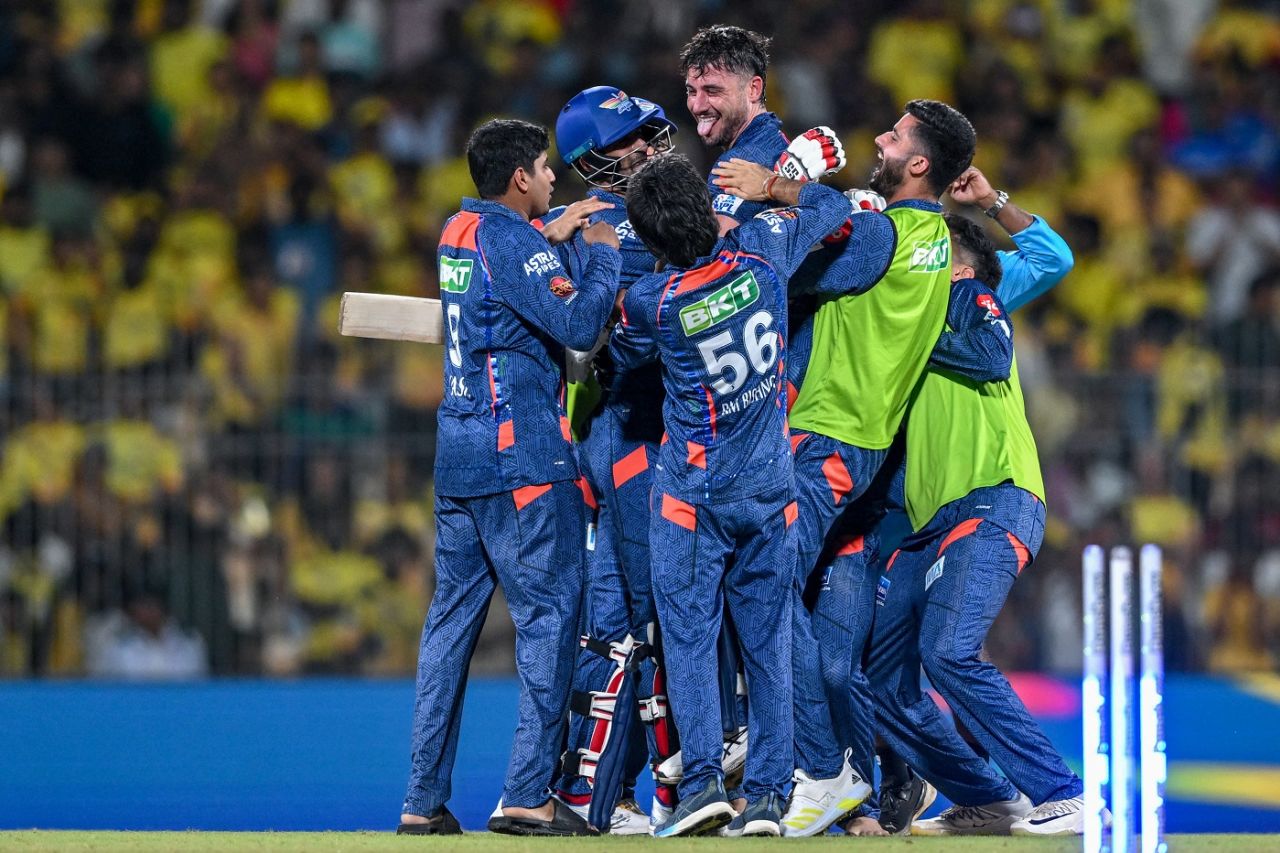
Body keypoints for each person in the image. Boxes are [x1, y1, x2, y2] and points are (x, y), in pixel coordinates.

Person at [807, 167, 1077, 837]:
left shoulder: (972, 296)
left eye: (934, 255)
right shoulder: (899, 303)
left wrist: (991, 203)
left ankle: (1062, 789)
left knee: (949, 651)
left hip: (990, 494)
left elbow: (1050, 264)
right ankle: (985, 794)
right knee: (883, 678)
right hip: (926, 523)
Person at [611, 141, 848, 837]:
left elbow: (615, 358)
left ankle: (706, 782)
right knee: (768, 640)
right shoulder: (764, 248)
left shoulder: (653, 299)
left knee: (689, 638)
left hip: (695, 496)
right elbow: (833, 208)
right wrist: (776, 184)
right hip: (772, 490)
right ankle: (772, 796)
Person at [398, 118, 621, 837]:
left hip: (457, 457)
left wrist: (549, 231)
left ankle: (420, 799)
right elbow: (581, 325)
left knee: (448, 631)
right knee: (551, 616)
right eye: (547, 169)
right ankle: (527, 793)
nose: (557, 178)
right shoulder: (514, 239)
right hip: (521, 455)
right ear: (521, 176)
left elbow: (509, 272)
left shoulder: (456, 230)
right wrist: (601, 250)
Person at [770, 99, 978, 837]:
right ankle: (846, 768)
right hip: (856, 450)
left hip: (828, 436)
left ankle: (825, 770)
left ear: (919, 163)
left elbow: (801, 267)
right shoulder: (931, 237)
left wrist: (782, 186)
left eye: (892, 136)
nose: (879, 141)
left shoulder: (886, 232)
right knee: (826, 643)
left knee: (766, 588)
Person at [544, 85, 678, 834]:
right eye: (636, 138)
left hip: (628, 435)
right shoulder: (589, 228)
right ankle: (621, 789)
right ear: (595, 160)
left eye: (654, 130)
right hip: (622, 437)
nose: (653, 143)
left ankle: (600, 789)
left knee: (618, 618)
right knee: (639, 617)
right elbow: (584, 338)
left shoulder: (651, 210)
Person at [680, 25, 789, 234]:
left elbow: (715, 260)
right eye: (691, 91)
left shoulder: (738, 166)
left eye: (712, 91)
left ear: (753, 89)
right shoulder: (770, 141)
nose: (697, 105)